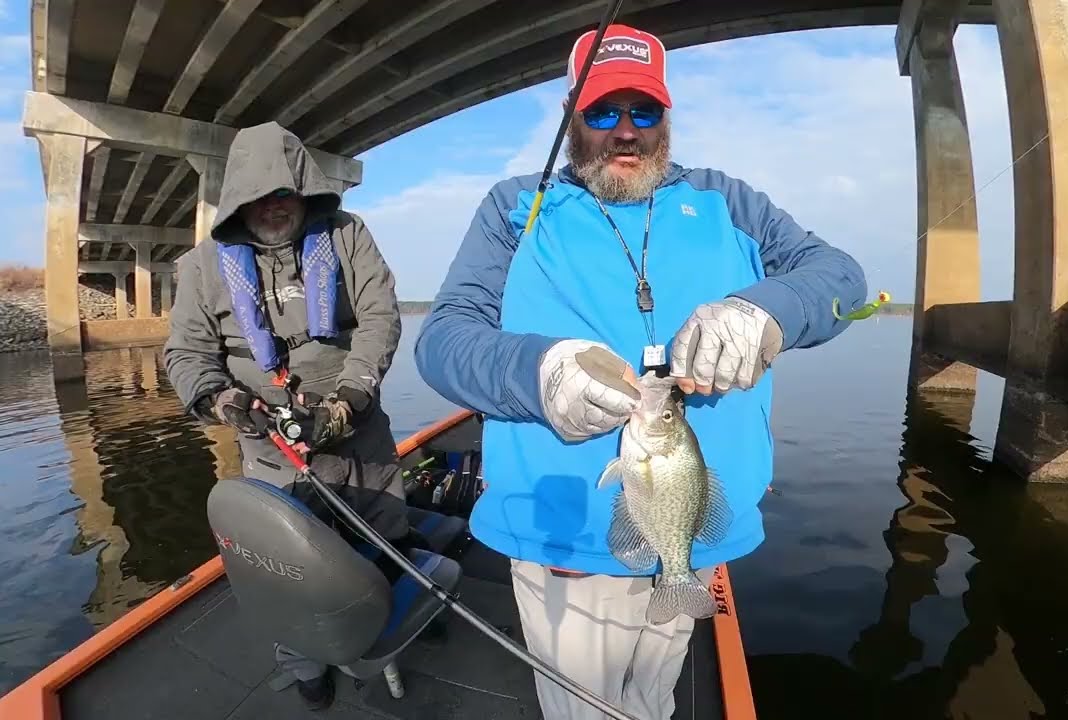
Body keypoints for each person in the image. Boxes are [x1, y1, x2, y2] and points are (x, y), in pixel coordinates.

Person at [414, 23, 867, 720]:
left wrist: (765, 312)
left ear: (666, 118)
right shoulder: (515, 207)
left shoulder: (730, 201)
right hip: (569, 549)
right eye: (601, 112)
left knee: (654, 699)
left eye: (643, 111)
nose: (624, 131)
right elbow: (442, 342)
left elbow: (841, 278)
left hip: (692, 537)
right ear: (571, 120)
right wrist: (538, 371)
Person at [163, 121, 405, 711]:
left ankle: (390, 636)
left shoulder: (348, 236)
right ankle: (305, 663)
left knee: (386, 541)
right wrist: (223, 401)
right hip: (271, 448)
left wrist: (349, 399)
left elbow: (380, 318)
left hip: (360, 436)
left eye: (284, 194)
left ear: (304, 192)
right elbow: (184, 353)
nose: (273, 207)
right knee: (288, 570)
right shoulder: (200, 267)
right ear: (238, 200)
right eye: (258, 197)